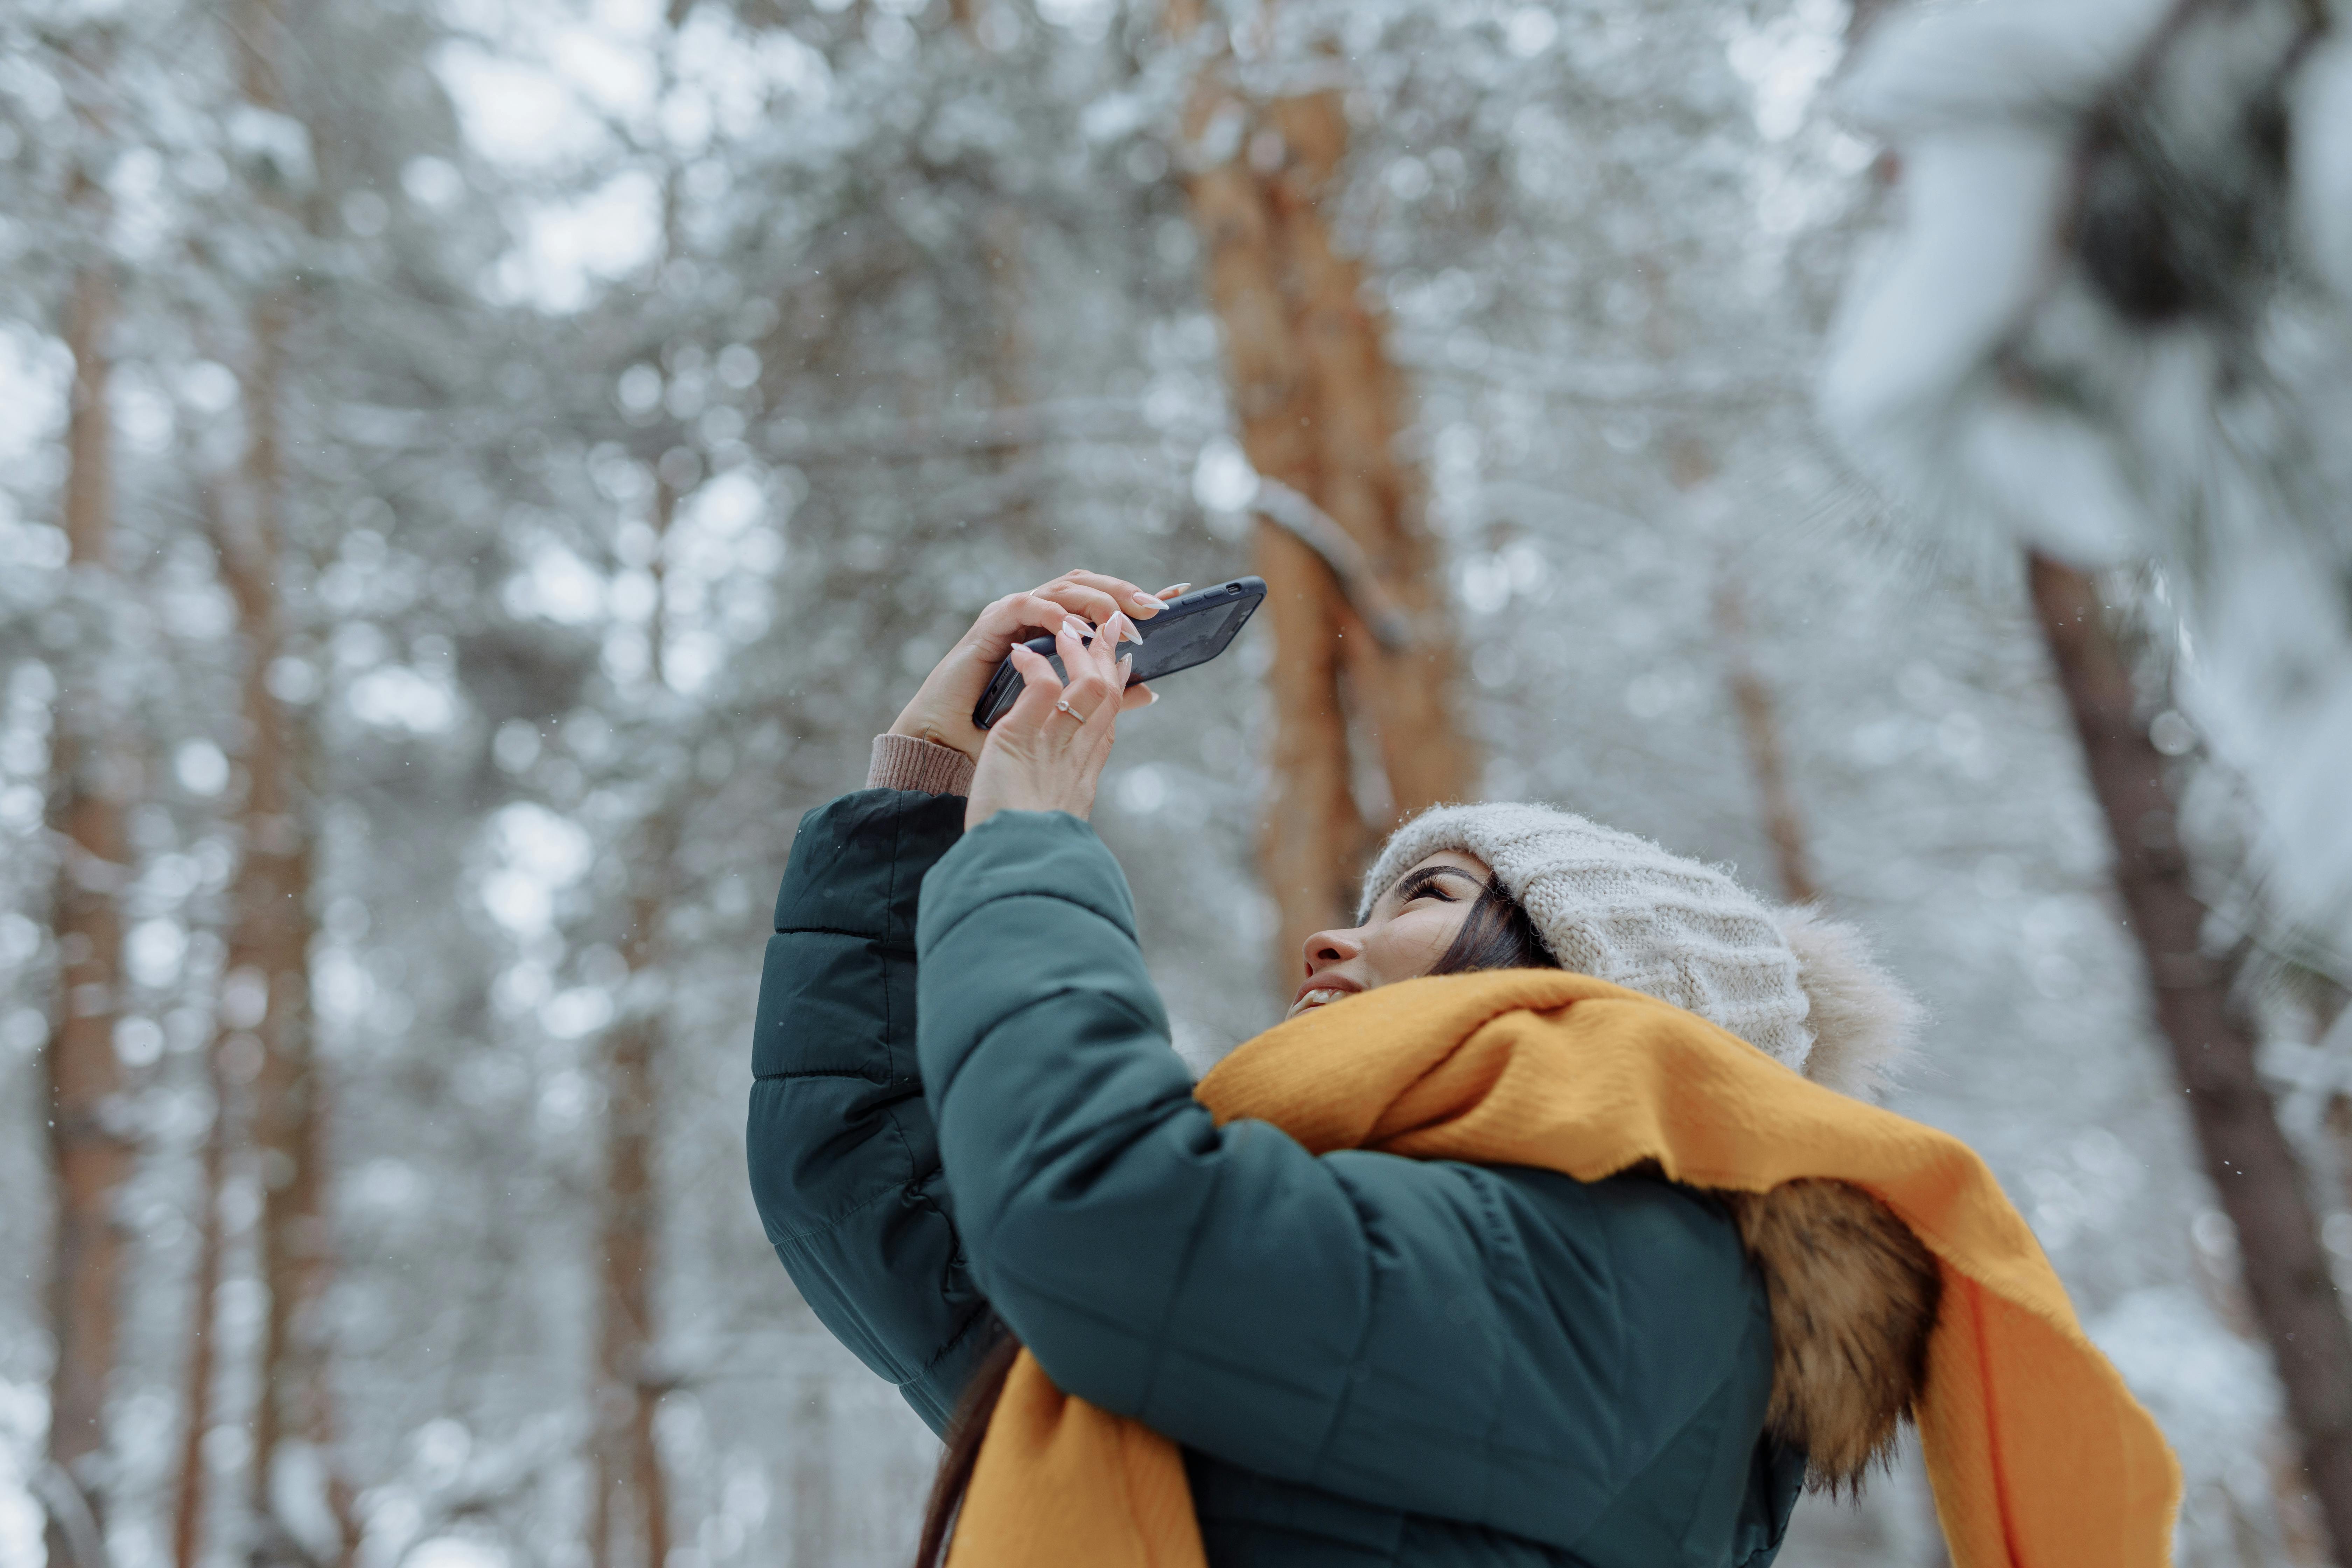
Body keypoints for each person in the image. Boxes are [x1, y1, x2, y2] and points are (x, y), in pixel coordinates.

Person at [746, 569, 1965, 1568]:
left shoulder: (1643, 1267)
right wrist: (928, 784)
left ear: (1601, 985)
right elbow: (872, 1185)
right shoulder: (1357, 1270)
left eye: (1429, 897)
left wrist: (1026, 848)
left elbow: (1087, 1207)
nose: (1330, 939)